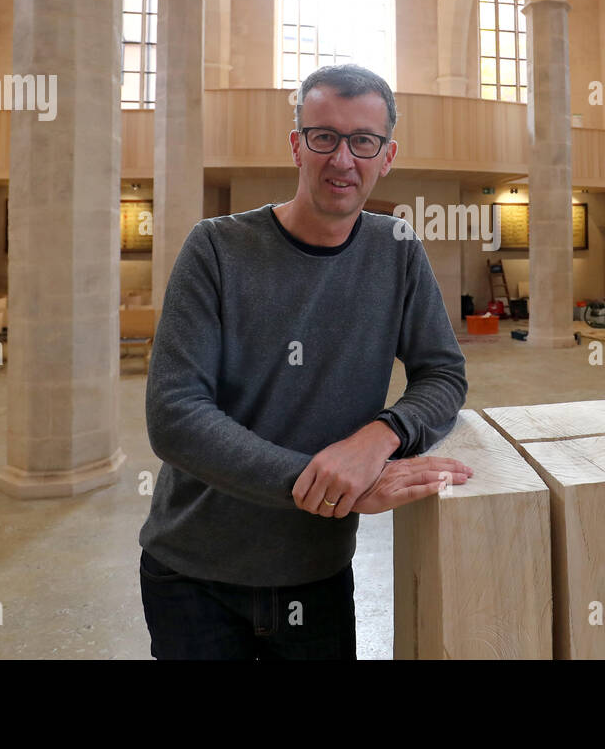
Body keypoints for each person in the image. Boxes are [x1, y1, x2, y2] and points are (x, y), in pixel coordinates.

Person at [138, 64, 473, 660]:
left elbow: (443, 374)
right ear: (297, 144)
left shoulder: (396, 250)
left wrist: (381, 436)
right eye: (324, 136)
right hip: (195, 573)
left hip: (315, 575)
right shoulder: (215, 247)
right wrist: (321, 484)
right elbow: (175, 415)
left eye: (362, 141)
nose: (343, 159)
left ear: (386, 156)